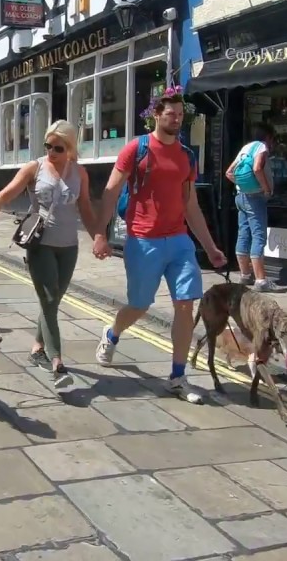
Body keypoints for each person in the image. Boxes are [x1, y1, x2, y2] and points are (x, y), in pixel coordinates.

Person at [91, 95, 228, 403]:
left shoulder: (186, 156)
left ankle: (177, 377)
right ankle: (112, 334)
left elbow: (190, 205)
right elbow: (111, 192)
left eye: (180, 114)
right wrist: (100, 234)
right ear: (156, 115)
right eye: (171, 114)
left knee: (185, 304)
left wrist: (210, 247)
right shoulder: (135, 149)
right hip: (143, 241)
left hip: (179, 242)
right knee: (139, 305)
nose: (177, 119)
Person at [0, 121, 100, 388]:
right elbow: (6, 193)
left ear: (70, 148)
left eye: (58, 147)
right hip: (40, 244)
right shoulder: (34, 168)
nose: (51, 152)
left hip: (69, 247)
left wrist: (99, 238)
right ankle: (57, 362)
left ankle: (37, 347)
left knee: (53, 302)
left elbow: (86, 209)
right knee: (48, 299)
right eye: (47, 146)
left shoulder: (79, 173)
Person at [226, 123, 277, 291]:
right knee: (258, 236)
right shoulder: (261, 146)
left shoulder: (245, 148)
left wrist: (243, 185)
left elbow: (229, 173)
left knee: (244, 234)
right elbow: (257, 168)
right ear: (268, 137)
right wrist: (265, 189)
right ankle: (261, 280)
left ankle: (245, 275)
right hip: (255, 199)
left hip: (240, 196)